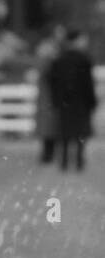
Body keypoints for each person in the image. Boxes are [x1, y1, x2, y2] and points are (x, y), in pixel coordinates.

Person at [46, 29, 98, 171]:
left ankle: (64, 161)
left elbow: (52, 81)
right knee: (80, 131)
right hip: (81, 102)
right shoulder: (84, 60)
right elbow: (88, 83)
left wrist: (56, 99)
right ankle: (79, 160)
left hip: (65, 102)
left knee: (65, 131)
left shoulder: (59, 59)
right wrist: (92, 101)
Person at [33, 26, 65, 164]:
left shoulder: (56, 49)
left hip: (52, 94)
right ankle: (48, 153)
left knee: (51, 125)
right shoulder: (48, 50)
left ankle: (50, 153)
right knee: (49, 125)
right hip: (49, 94)